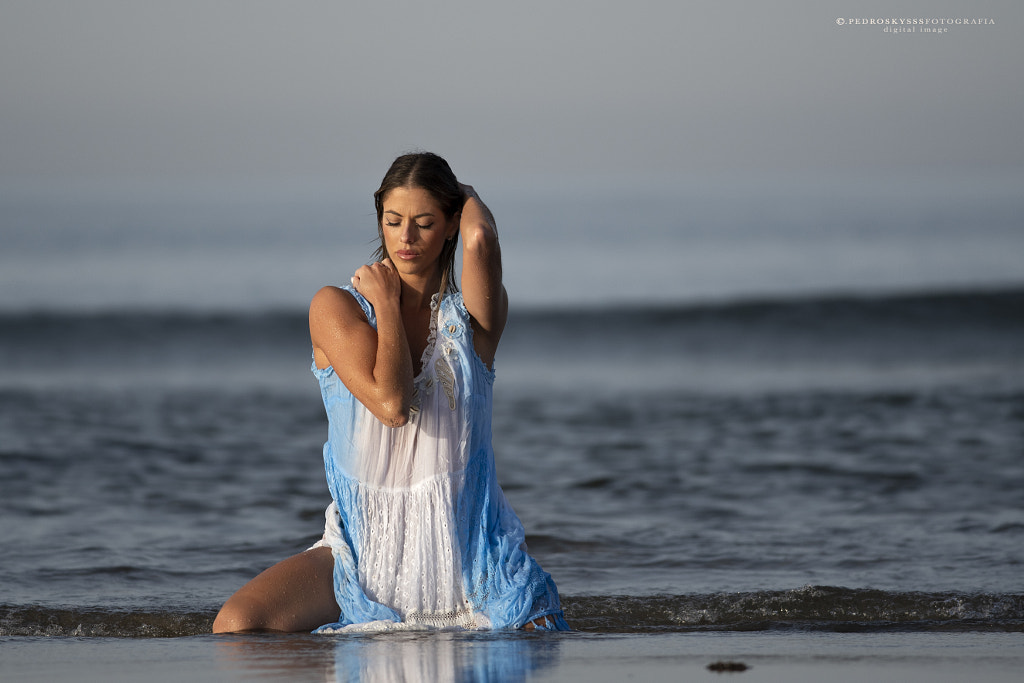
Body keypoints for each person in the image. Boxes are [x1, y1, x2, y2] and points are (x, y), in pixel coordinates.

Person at [212, 152, 568, 633]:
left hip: (469, 556)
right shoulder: (336, 309)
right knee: (236, 626)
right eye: (394, 220)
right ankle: (343, 656)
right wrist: (384, 302)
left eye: (425, 222)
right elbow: (392, 403)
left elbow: (481, 239)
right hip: (364, 552)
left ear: (450, 224)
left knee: (529, 640)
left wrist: (467, 196)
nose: (406, 237)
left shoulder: (472, 323)